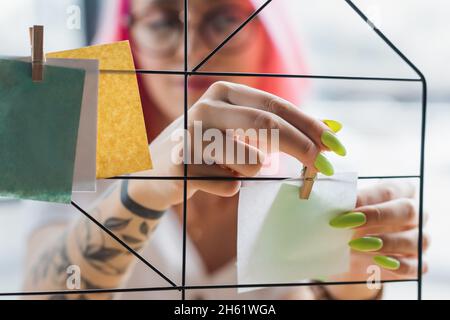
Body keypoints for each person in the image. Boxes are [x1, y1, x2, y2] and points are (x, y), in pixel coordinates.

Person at [22, 0, 429, 300]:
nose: (192, 50)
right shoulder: (72, 131)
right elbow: (39, 292)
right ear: (129, 35)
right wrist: (144, 190)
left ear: (269, 35)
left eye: (224, 20)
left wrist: (353, 286)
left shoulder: (320, 153)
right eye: (163, 21)